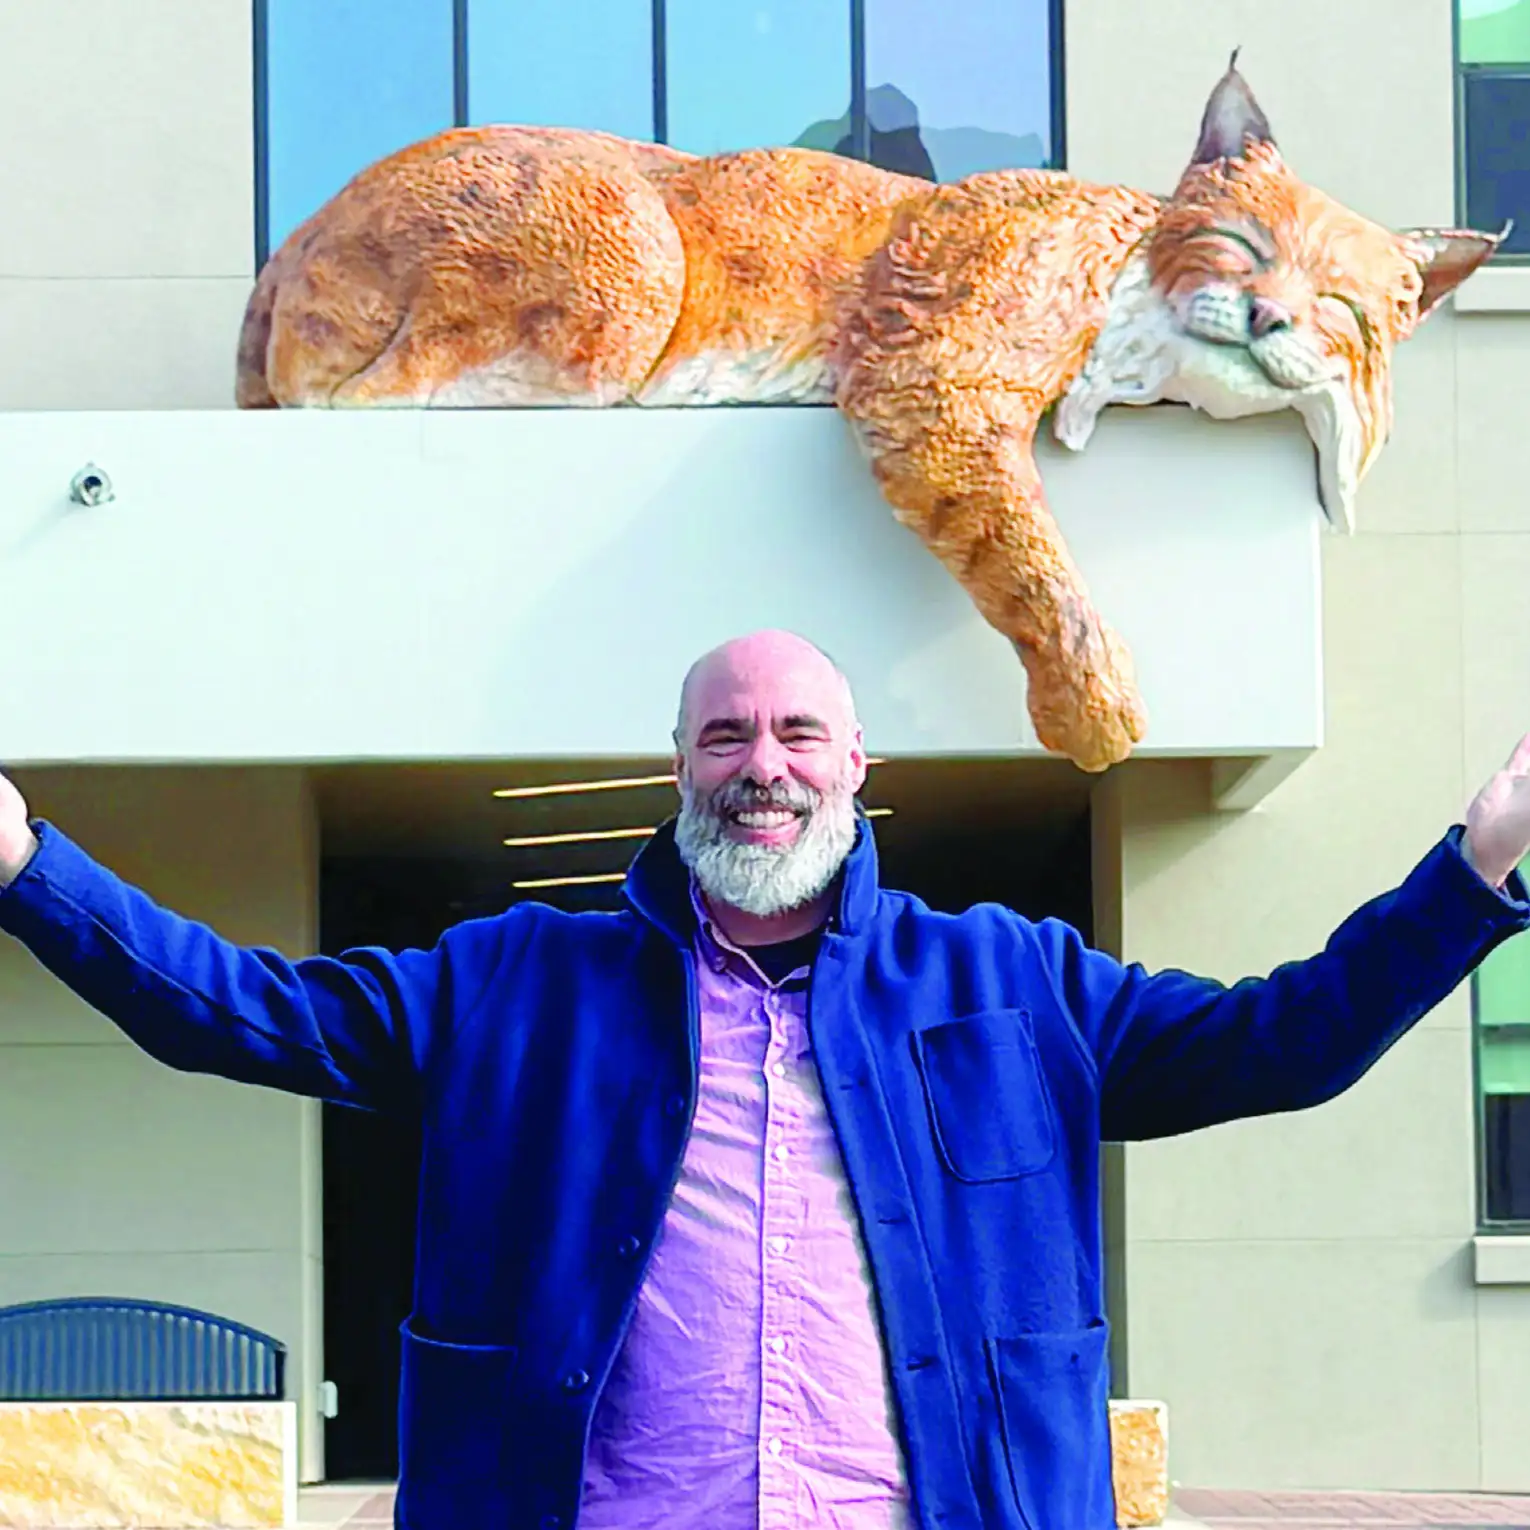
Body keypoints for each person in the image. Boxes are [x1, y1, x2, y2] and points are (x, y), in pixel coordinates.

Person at [2, 628, 1529, 1530]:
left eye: (799, 730)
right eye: (723, 734)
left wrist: (1473, 868)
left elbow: (1287, 1039)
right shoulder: (514, 982)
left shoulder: (1014, 980)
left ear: (860, 763)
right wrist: (24, 861)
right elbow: (235, 1010)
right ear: (676, 767)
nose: (762, 763)